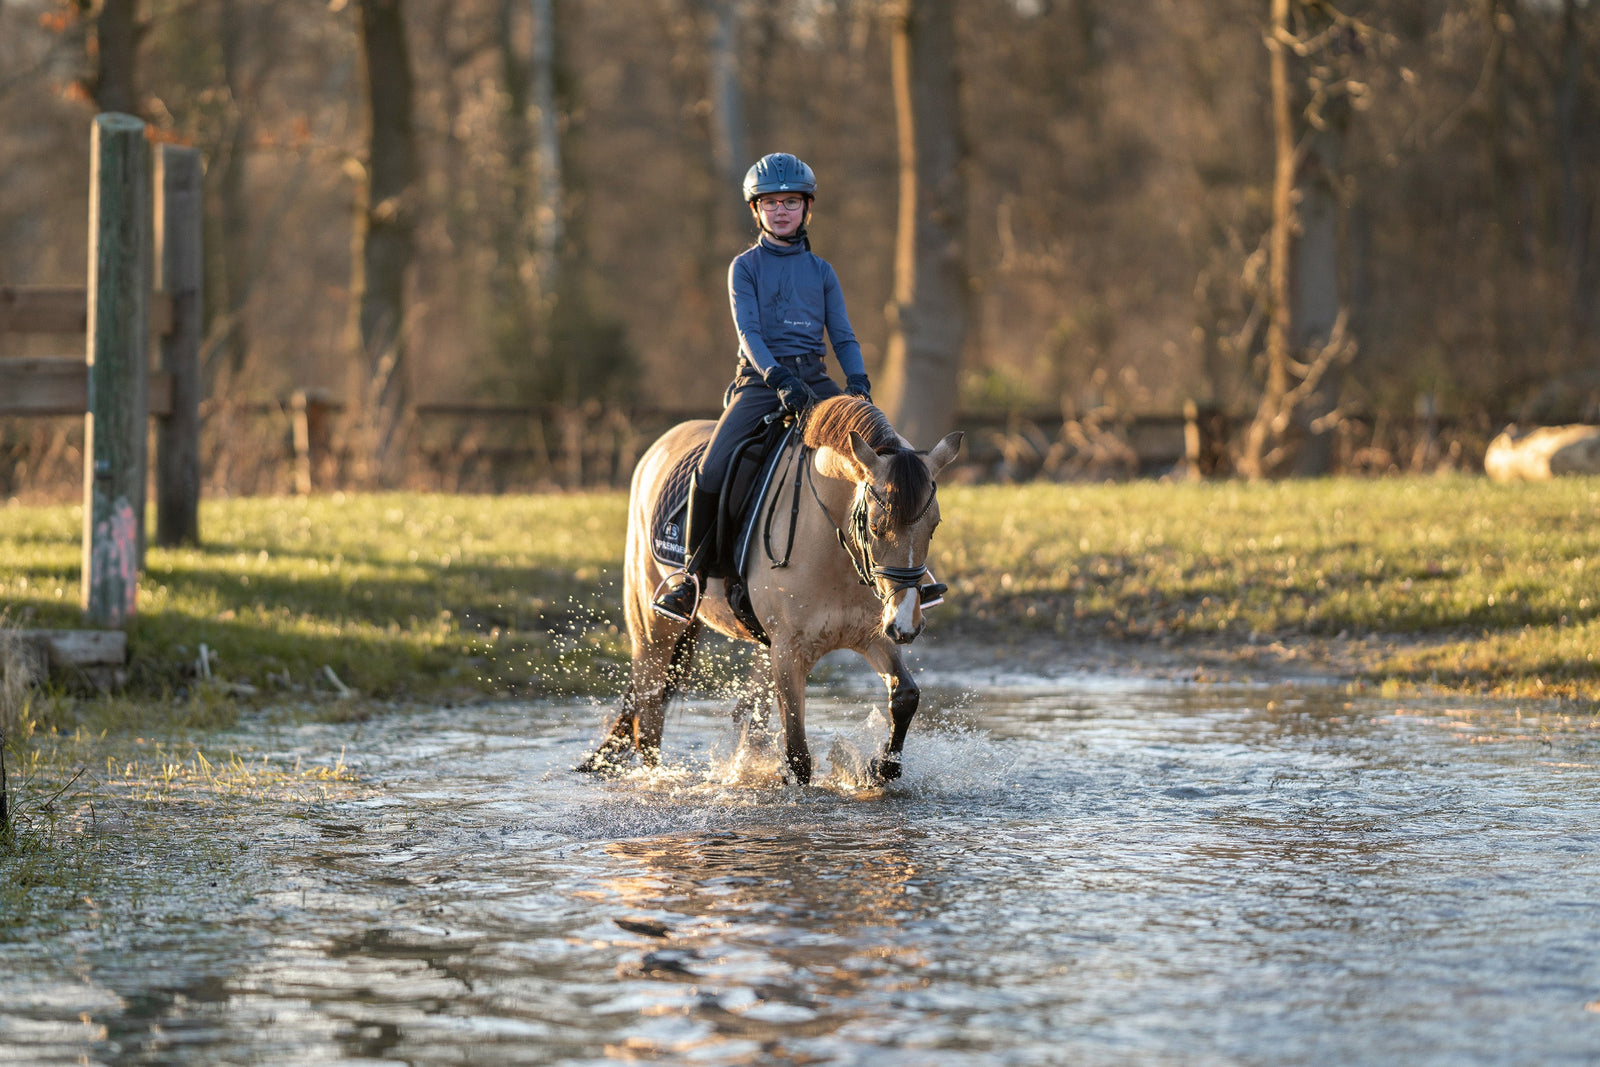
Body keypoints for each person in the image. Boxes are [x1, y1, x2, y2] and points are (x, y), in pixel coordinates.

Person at [650, 152, 873, 622]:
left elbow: (844, 336)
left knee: (881, 450)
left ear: (807, 208)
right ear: (757, 210)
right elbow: (749, 333)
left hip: (814, 378)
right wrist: (776, 377)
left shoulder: (823, 272)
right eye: (771, 203)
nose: (781, 211)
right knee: (711, 469)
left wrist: (857, 383)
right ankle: (690, 578)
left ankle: (908, 570)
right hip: (760, 380)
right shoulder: (744, 267)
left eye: (791, 202)